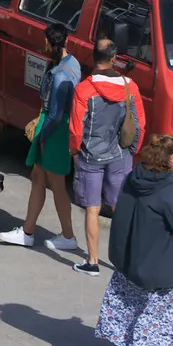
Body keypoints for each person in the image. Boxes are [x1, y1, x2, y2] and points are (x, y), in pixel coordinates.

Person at [96, 135, 173, 346]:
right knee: (170, 314)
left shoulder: (132, 179)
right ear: (169, 159)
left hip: (132, 261)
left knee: (139, 309)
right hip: (165, 266)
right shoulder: (169, 189)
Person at [0, 24, 83, 252]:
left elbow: (55, 114)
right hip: (56, 127)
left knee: (56, 183)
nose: (42, 46)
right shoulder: (71, 64)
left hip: (54, 130)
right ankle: (28, 231)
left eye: (45, 42)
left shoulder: (61, 74)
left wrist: (42, 136)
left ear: (51, 44)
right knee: (38, 177)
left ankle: (68, 236)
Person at [69, 35, 146, 275]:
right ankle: (123, 262)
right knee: (119, 207)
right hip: (120, 156)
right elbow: (140, 124)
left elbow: (76, 129)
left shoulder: (84, 89)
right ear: (113, 59)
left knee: (92, 208)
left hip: (90, 156)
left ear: (94, 58)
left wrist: (75, 152)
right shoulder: (130, 86)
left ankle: (92, 262)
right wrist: (132, 151)